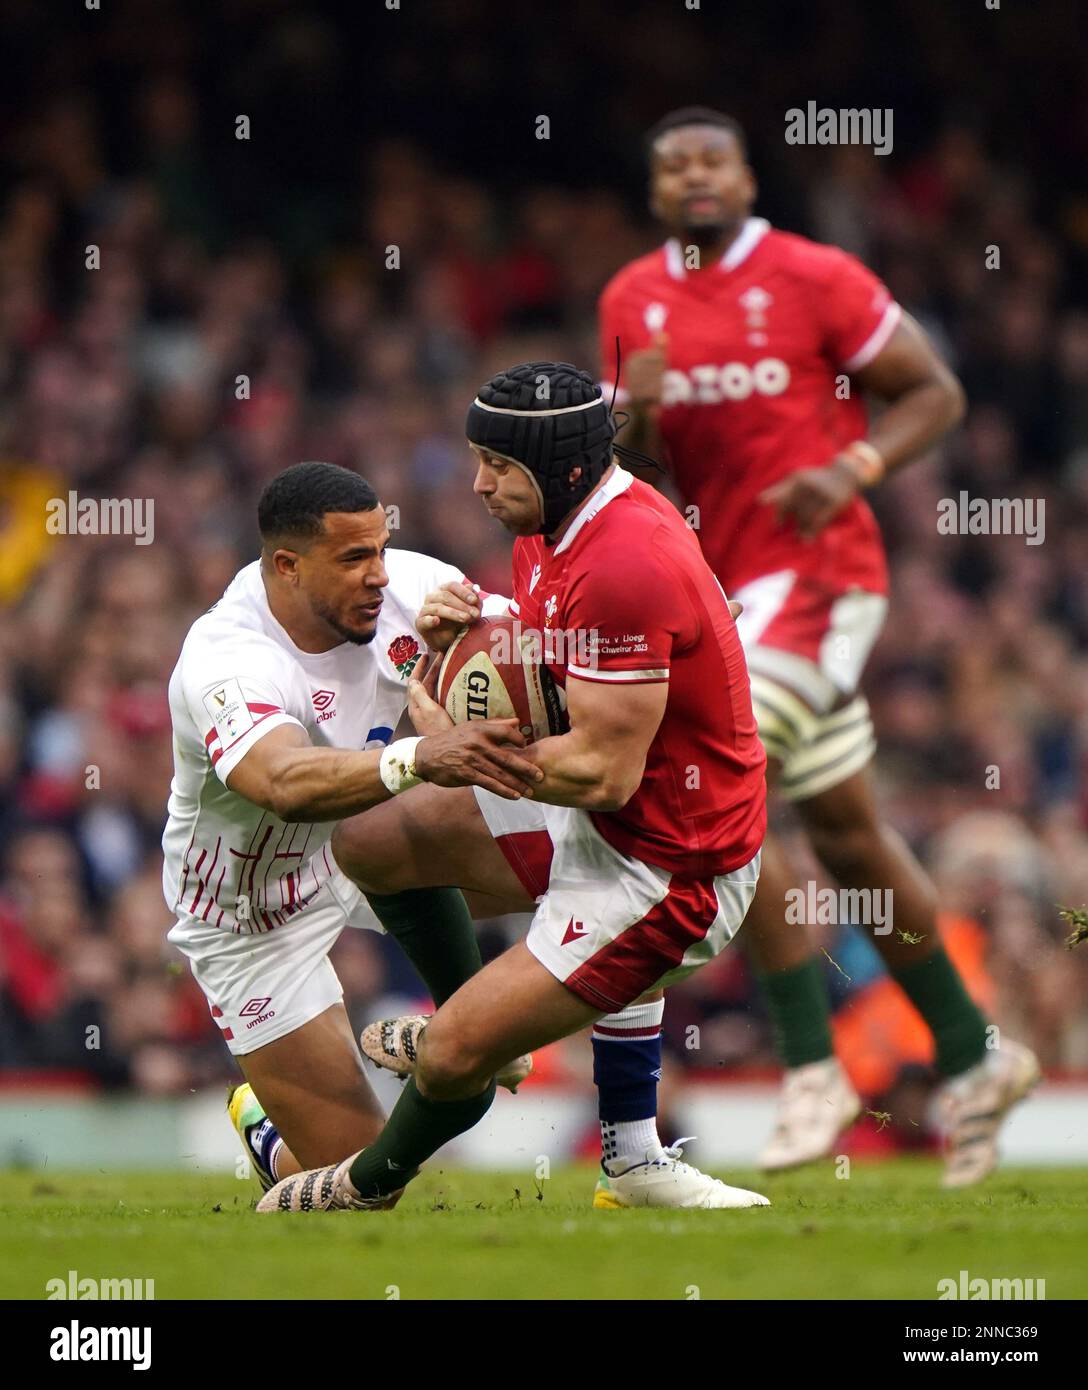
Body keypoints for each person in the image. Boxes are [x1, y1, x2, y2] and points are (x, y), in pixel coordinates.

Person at [595, 106, 1038, 1185]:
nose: (696, 177)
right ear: (655, 192)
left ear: (745, 176)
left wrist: (852, 470)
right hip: (711, 587)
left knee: (706, 773)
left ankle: (810, 1065)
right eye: (673, 166)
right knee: (844, 837)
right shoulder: (628, 298)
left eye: (714, 159)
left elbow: (934, 392)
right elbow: (637, 471)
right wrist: (639, 422)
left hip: (816, 574)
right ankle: (976, 1056)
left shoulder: (812, 275)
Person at [255, 360, 769, 1214]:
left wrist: (455, 746)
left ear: (561, 465)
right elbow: (548, 667)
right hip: (612, 816)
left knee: (450, 1055)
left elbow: (604, 773)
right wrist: (474, 633)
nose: (478, 483)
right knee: (373, 842)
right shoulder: (556, 530)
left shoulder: (626, 559)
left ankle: (363, 1188)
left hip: (674, 864)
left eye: (498, 465)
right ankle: (630, 1155)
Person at [162, 460, 540, 1185]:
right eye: (353, 557)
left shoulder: (410, 590)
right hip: (250, 912)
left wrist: (674, 625)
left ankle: (483, 1022)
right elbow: (280, 781)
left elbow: (530, 648)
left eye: (381, 549)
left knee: (592, 863)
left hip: (357, 851)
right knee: (356, 1175)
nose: (379, 575)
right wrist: (421, 755)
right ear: (287, 566)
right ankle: (271, 1133)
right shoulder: (226, 658)